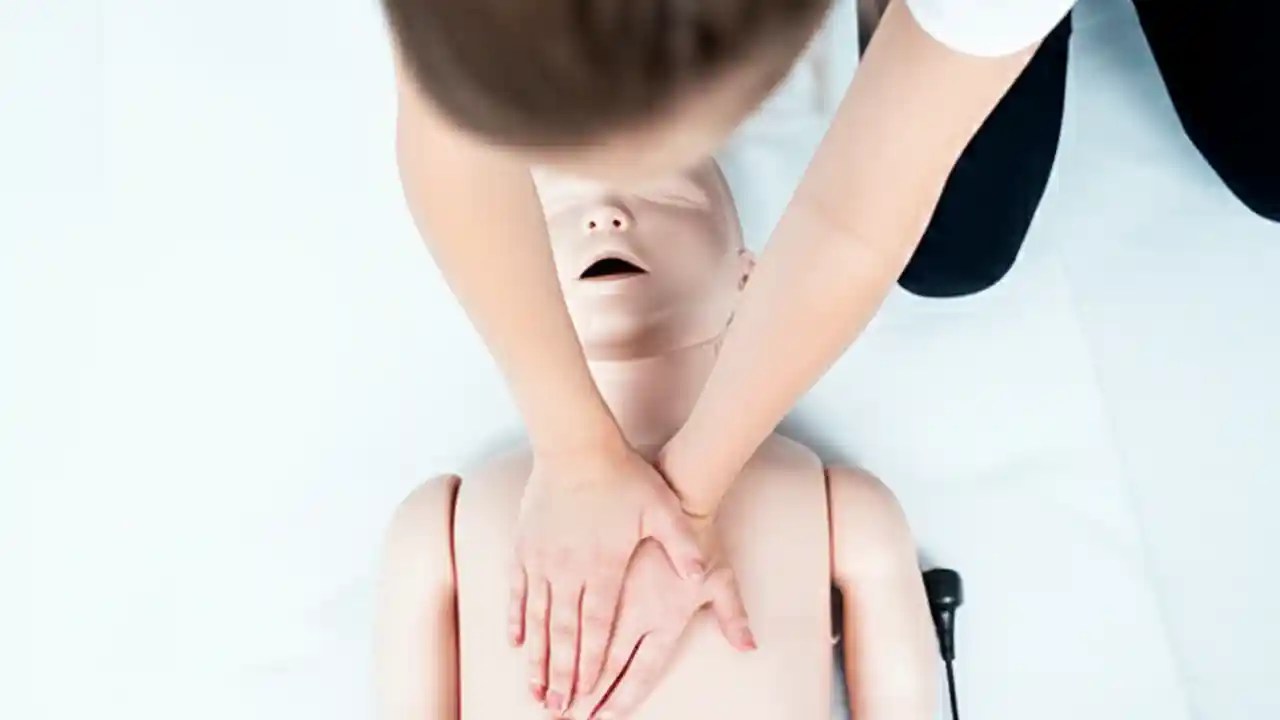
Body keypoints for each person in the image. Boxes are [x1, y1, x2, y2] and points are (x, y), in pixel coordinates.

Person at [382, 0, 1279, 713]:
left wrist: (691, 492)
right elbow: (445, 131)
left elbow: (854, 216)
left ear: (749, 275)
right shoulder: (451, 524)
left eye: (662, 174)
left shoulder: (817, 499)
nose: (609, 212)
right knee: (957, 235)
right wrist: (582, 457)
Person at [374, 162, 937, 719]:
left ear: (749, 280)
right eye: (559, 210)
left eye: (666, 195)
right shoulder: (437, 525)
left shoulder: (844, 508)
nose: (604, 217)